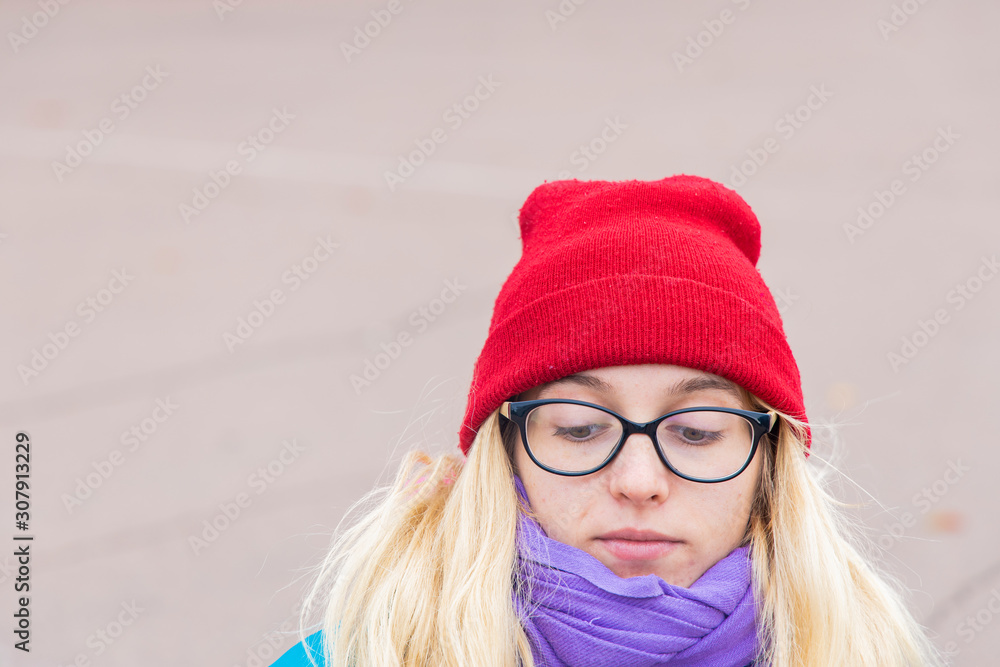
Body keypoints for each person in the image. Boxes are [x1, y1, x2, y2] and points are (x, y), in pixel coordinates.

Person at [272, 175, 945, 666]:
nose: (639, 479)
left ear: (768, 460)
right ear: (505, 451)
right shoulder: (366, 651)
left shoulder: (867, 649)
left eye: (698, 430)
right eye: (578, 426)